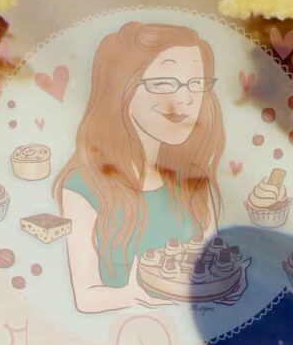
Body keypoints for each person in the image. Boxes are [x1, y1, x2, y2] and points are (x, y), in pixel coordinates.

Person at [57, 18, 226, 314]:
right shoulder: (84, 186)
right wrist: (131, 295)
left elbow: (214, 271)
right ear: (122, 88)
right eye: (163, 82)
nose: (185, 98)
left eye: (196, 84)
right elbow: (86, 297)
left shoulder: (196, 182)